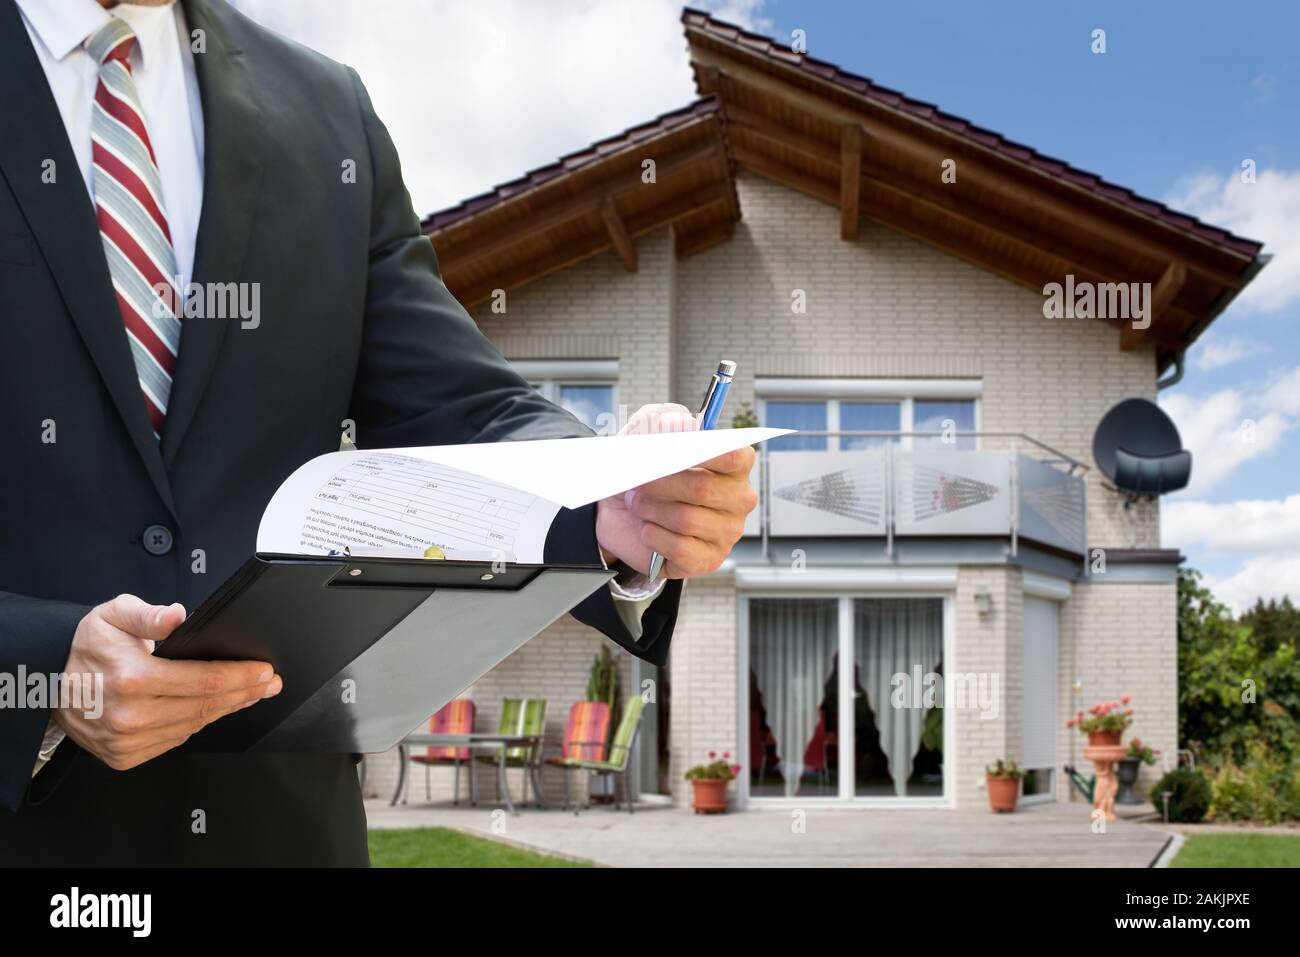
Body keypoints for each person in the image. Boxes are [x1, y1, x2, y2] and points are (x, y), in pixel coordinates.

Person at [0, 0, 757, 865]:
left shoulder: (328, 114)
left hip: (285, 834)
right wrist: (36, 667)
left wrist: (612, 503)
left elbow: (461, 408)